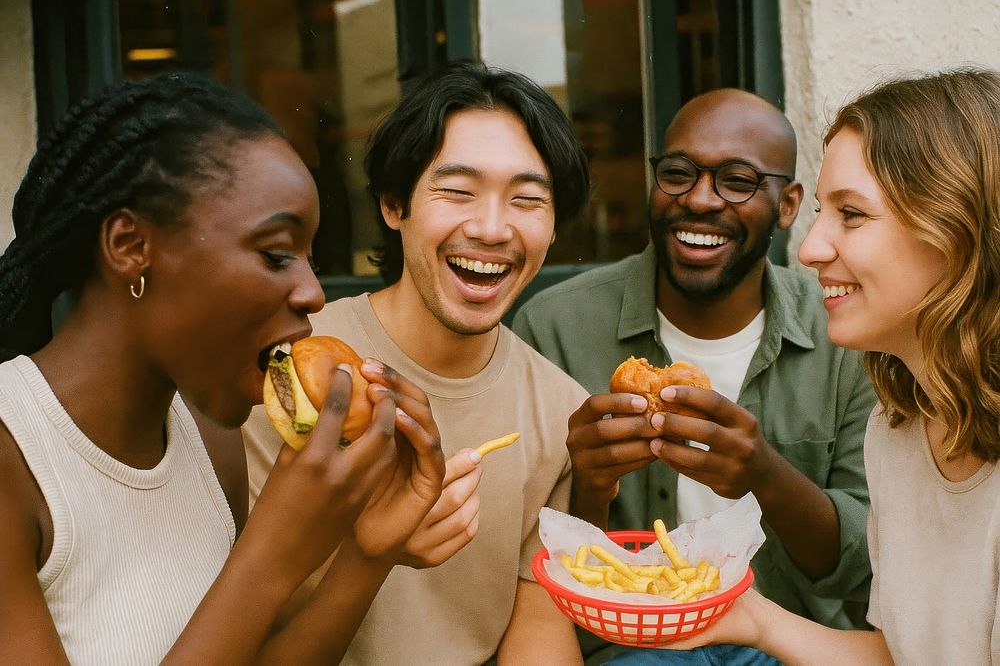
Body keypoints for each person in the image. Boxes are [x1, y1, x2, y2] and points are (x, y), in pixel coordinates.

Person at [0, 73, 444, 664]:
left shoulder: (209, 436)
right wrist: (272, 555)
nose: (313, 293)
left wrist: (368, 556)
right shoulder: (13, 456)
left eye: (309, 260)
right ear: (131, 246)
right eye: (276, 255)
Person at [242, 62, 592, 664]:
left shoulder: (561, 410)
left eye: (528, 200)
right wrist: (366, 547)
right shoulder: (287, 368)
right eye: (456, 192)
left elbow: (537, 626)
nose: (490, 228)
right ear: (393, 205)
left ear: (554, 227)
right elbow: (234, 615)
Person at [513, 89, 876, 661]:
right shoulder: (553, 326)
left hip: (789, 639)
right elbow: (530, 559)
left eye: (737, 181)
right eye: (678, 173)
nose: (701, 200)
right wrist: (591, 487)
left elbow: (861, 564)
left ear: (787, 205)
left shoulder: (846, 332)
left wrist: (765, 473)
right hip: (624, 647)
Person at [670, 66, 1000, 664]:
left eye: (852, 214)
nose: (810, 248)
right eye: (822, 212)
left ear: (957, 228)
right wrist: (751, 616)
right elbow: (906, 655)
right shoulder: (897, 431)